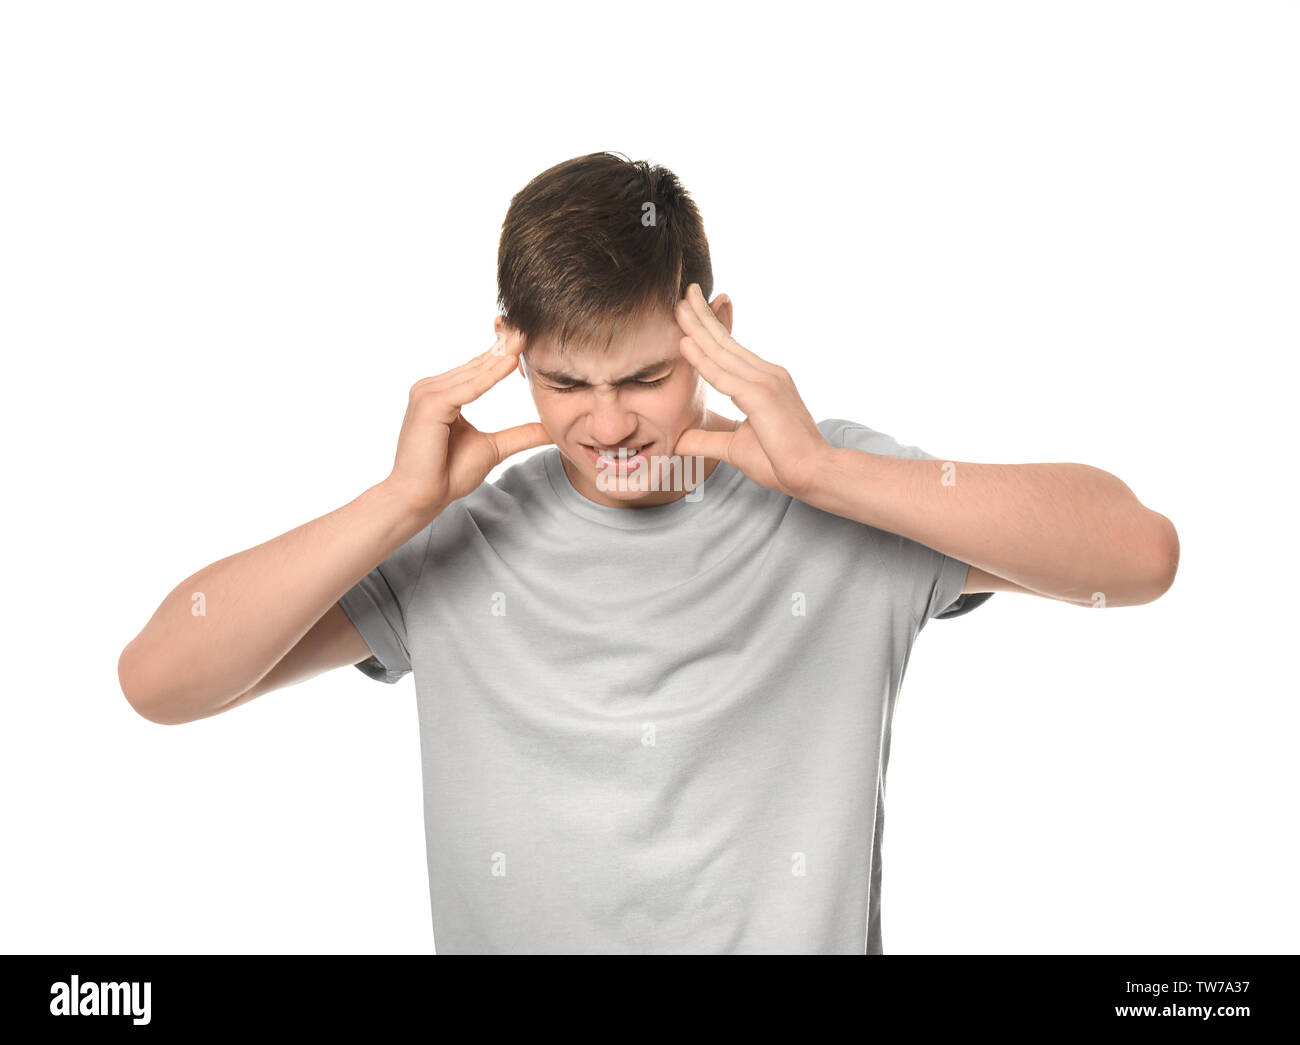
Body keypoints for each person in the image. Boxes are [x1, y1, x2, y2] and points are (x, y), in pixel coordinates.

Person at [117, 151, 1179, 954]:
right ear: (512, 351)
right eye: (567, 384)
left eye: (644, 379)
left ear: (711, 328)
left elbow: (1137, 556)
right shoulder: (460, 535)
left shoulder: (838, 488)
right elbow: (161, 680)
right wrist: (396, 504)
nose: (609, 426)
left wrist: (820, 472)